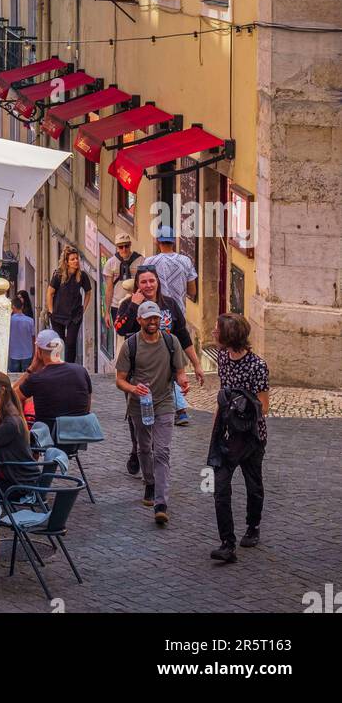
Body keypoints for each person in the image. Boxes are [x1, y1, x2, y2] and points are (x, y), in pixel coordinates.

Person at [115, 300, 189, 526]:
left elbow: (180, 372)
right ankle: (149, 482)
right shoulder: (130, 346)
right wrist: (133, 389)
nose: (152, 322)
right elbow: (119, 380)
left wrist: (183, 381)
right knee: (144, 448)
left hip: (164, 402)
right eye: (148, 318)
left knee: (162, 452)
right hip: (139, 405)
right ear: (139, 320)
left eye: (155, 317)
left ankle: (161, 504)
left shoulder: (171, 341)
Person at [208, 313, 270, 564]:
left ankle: (253, 526)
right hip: (227, 434)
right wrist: (215, 428)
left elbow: (264, 406)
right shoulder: (222, 357)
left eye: (217, 329)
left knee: (253, 485)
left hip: (251, 436)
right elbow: (222, 392)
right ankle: (227, 543)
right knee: (220, 486)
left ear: (229, 335)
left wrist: (240, 408)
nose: (213, 333)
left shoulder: (257, 366)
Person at [117, 267, 205, 426]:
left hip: (164, 371)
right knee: (139, 426)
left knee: (163, 423)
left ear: (158, 282)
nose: (148, 285)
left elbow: (183, 336)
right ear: (137, 284)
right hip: (137, 372)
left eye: (152, 281)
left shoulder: (170, 304)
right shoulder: (128, 304)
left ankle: (175, 418)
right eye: (143, 282)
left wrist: (196, 364)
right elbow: (120, 329)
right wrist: (134, 306)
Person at [14, 329, 92, 434]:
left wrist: (31, 368)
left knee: (26, 399)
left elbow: (12, 396)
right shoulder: (81, 371)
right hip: (78, 432)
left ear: (38, 351)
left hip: (47, 435)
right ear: (59, 349)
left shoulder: (36, 379)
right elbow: (87, 405)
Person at [46, 248, 92, 364]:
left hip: (75, 315)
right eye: (72, 259)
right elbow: (50, 293)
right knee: (59, 342)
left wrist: (83, 308)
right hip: (58, 314)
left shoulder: (82, 276)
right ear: (66, 262)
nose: (76, 261)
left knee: (71, 343)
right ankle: (57, 365)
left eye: (77, 258)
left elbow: (88, 292)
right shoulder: (58, 275)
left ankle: (69, 367)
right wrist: (51, 311)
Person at [143, 225, 197, 312]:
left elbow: (143, 288)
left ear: (157, 241)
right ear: (174, 241)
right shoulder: (186, 261)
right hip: (179, 312)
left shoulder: (149, 262)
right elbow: (192, 291)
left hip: (155, 313)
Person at [103, 234, 142, 331]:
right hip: (117, 305)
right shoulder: (111, 263)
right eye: (121, 247)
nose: (124, 249)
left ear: (130, 245)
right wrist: (107, 312)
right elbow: (109, 289)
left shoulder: (140, 261)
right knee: (121, 332)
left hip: (136, 303)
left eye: (126, 246)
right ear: (117, 247)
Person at [8, 297, 35, 373]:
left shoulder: (9, 320)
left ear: (12, 307)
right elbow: (33, 337)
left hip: (13, 353)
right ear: (22, 307)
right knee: (26, 376)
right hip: (27, 353)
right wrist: (34, 351)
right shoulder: (30, 320)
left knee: (13, 377)